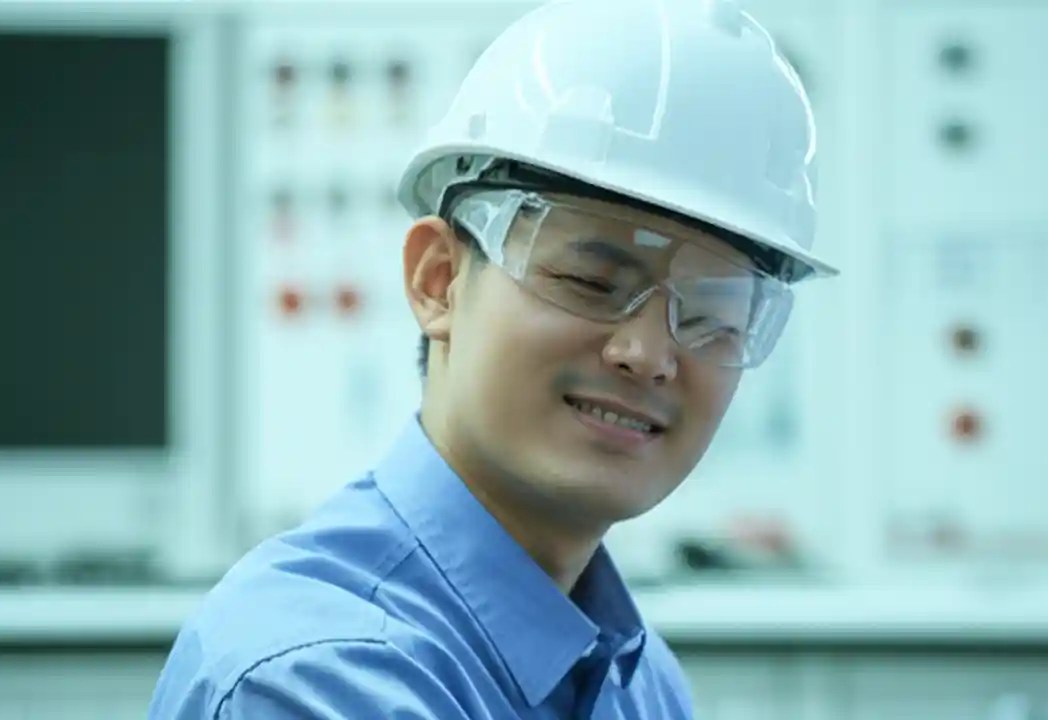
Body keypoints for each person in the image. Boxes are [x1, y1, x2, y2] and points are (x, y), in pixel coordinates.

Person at [148, 0, 837, 717]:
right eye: (591, 281)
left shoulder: (636, 680)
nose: (649, 354)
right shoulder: (318, 681)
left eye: (710, 316)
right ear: (438, 280)